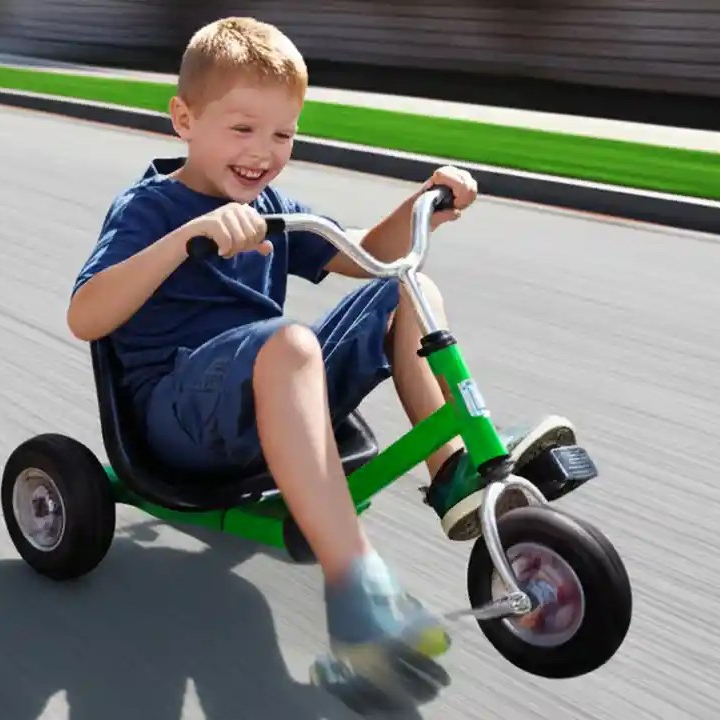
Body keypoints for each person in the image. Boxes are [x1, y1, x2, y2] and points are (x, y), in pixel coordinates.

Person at [66, 16, 576, 703]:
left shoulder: (268, 203)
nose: (263, 153)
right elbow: (85, 315)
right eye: (243, 130)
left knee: (408, 285)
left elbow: (362, 251)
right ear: (184, 119)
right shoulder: (150, 208)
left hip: (269, 387)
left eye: (282, 134)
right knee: (291, 341)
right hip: (177, 418)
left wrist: (423, 204)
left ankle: (454, 468)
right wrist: (189, 237)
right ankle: (356, 588)